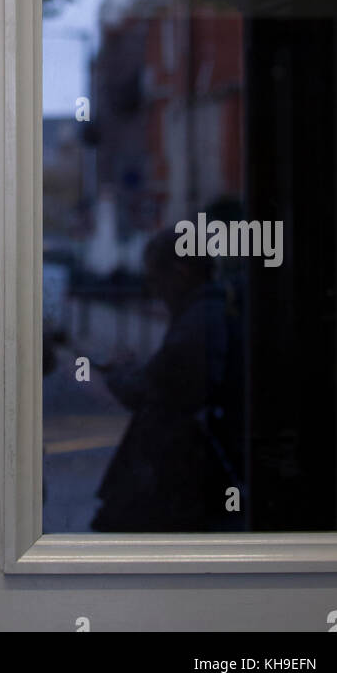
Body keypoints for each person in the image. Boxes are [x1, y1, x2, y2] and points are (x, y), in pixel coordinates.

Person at [91, 223, 244, 532]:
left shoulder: (196, 324)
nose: (154, 290)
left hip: (181, 476)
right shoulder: (212, 311)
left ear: (179, 273)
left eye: (155, 278)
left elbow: (154, 389)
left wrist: (118, 372)